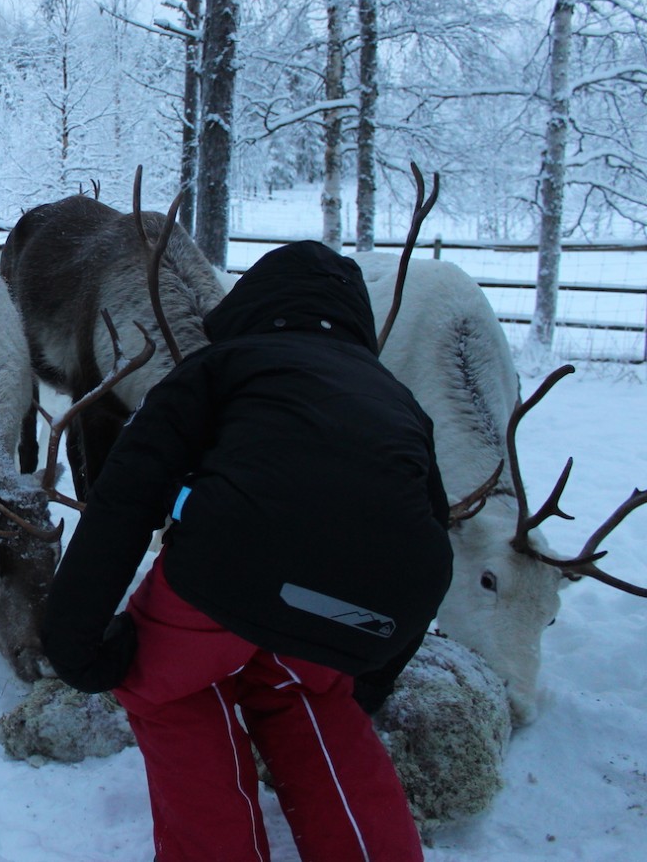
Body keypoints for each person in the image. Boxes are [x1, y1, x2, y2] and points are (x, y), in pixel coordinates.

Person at [41, 240, 453, 862]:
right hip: (370, 605)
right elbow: (426, 538)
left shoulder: (222, 366)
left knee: (168, 686)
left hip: (228, 570)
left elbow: (126, 498)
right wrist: (370, 672)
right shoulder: (396, 399)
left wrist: (73, 640)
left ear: (251, 305)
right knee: (308, 695)